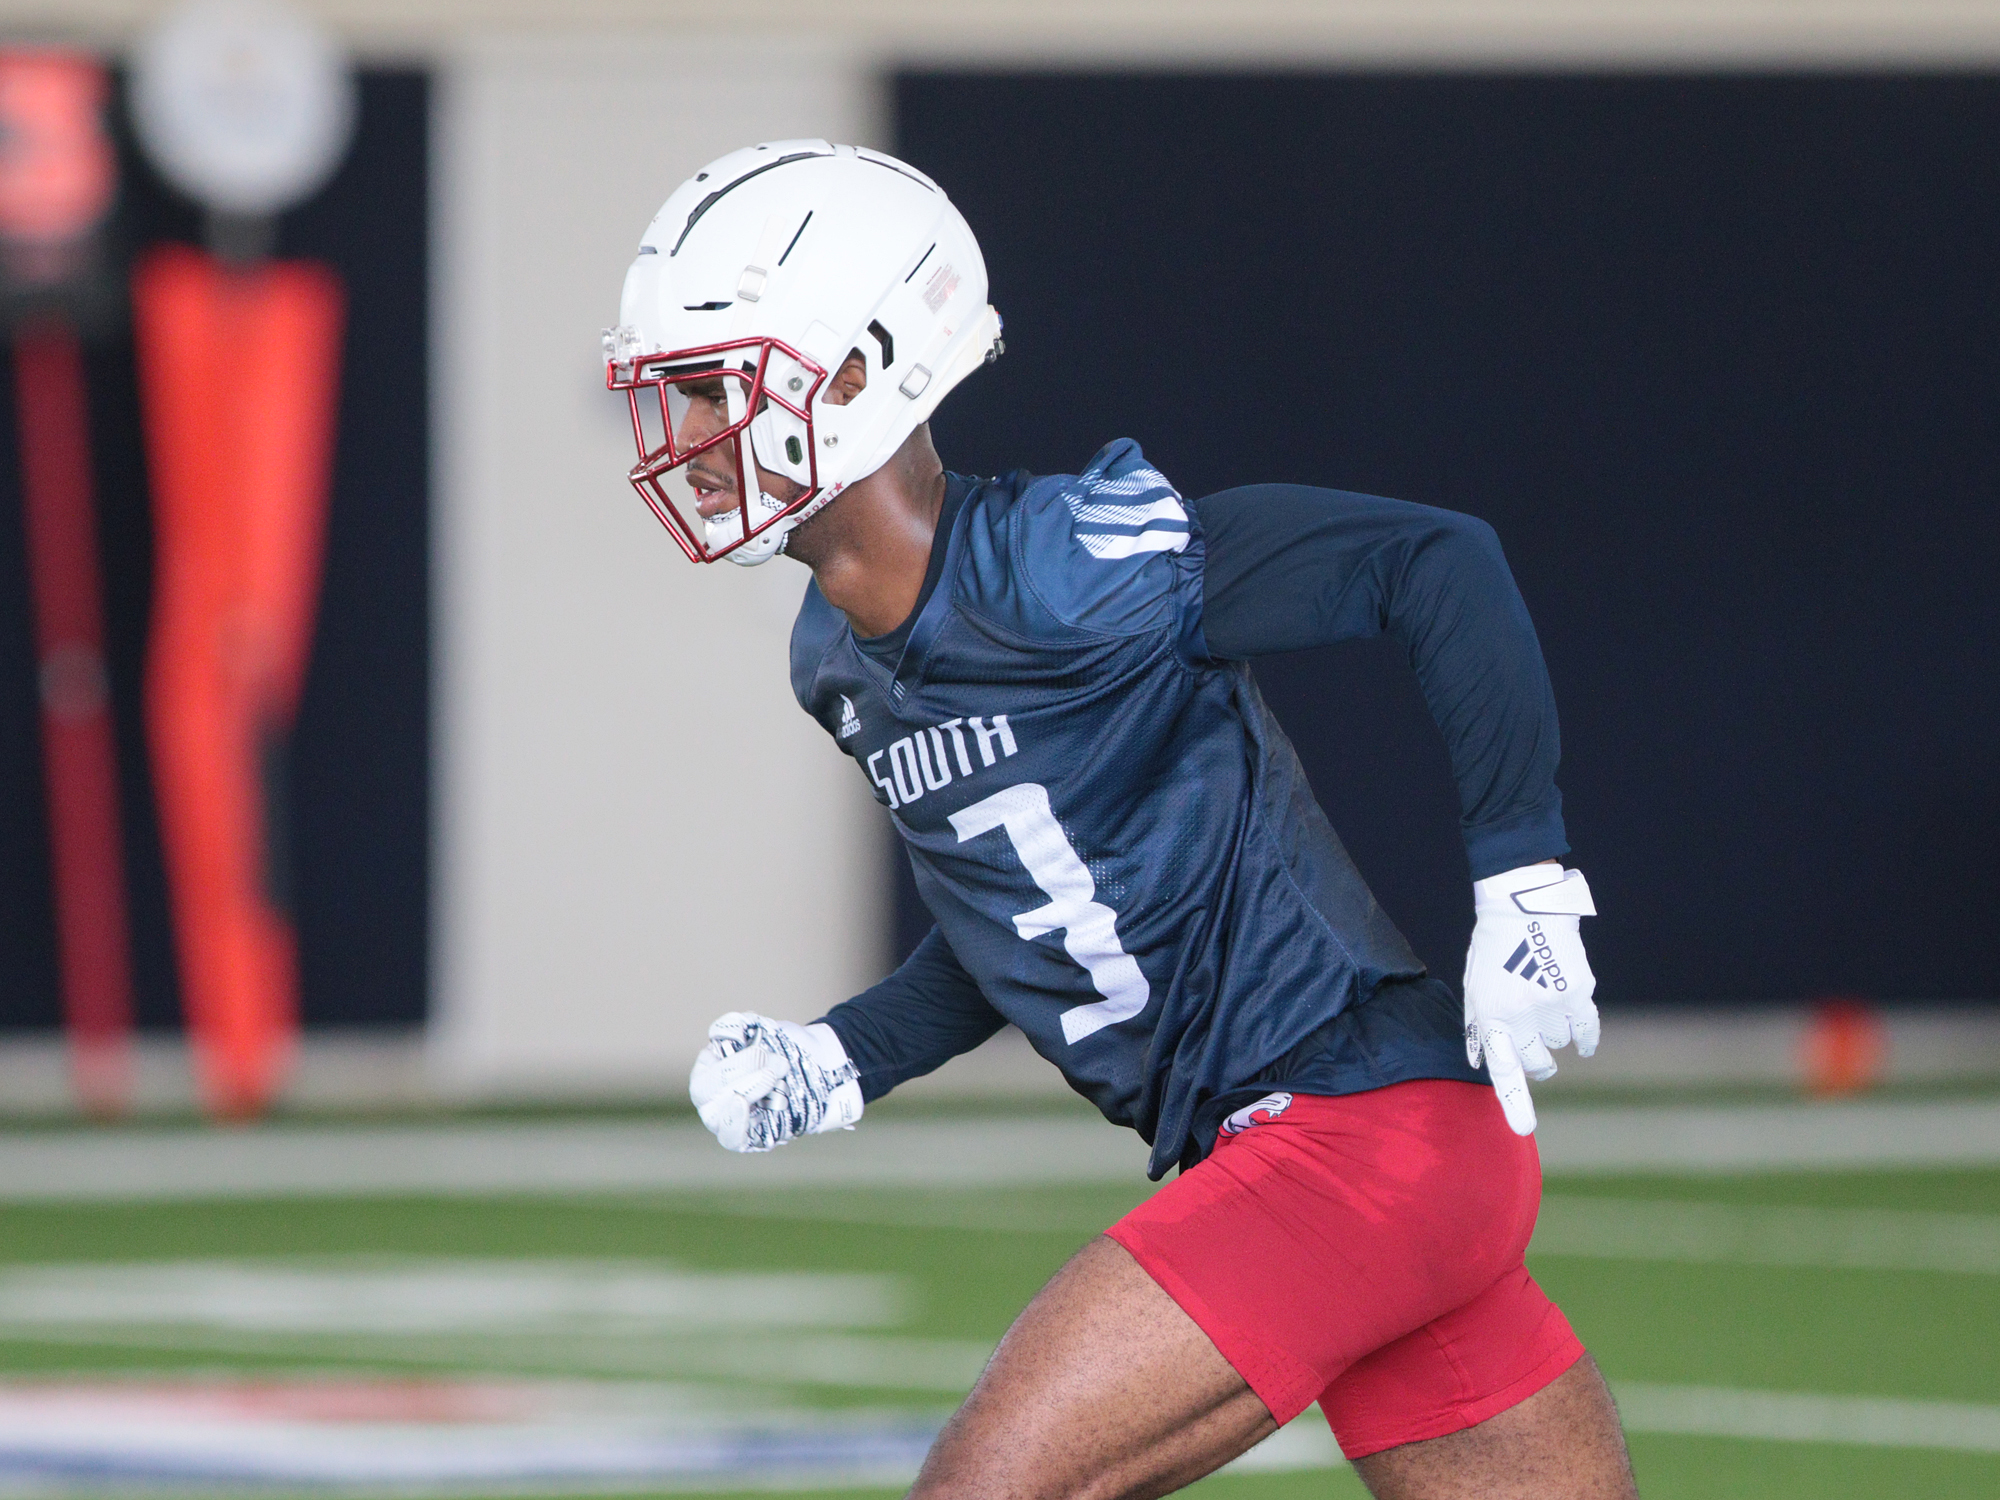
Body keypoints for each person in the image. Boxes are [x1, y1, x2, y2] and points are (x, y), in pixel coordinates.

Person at [604, 141, 1638, 1500]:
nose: (681, 434)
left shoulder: (1065, 565)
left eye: (708, 387)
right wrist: (849, 1055)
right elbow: (1016, 910)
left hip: (1353, 1130)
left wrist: (1525, 874)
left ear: (858, 373)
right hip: (1360, 1156)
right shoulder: (834, 657)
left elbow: (1430, 560)